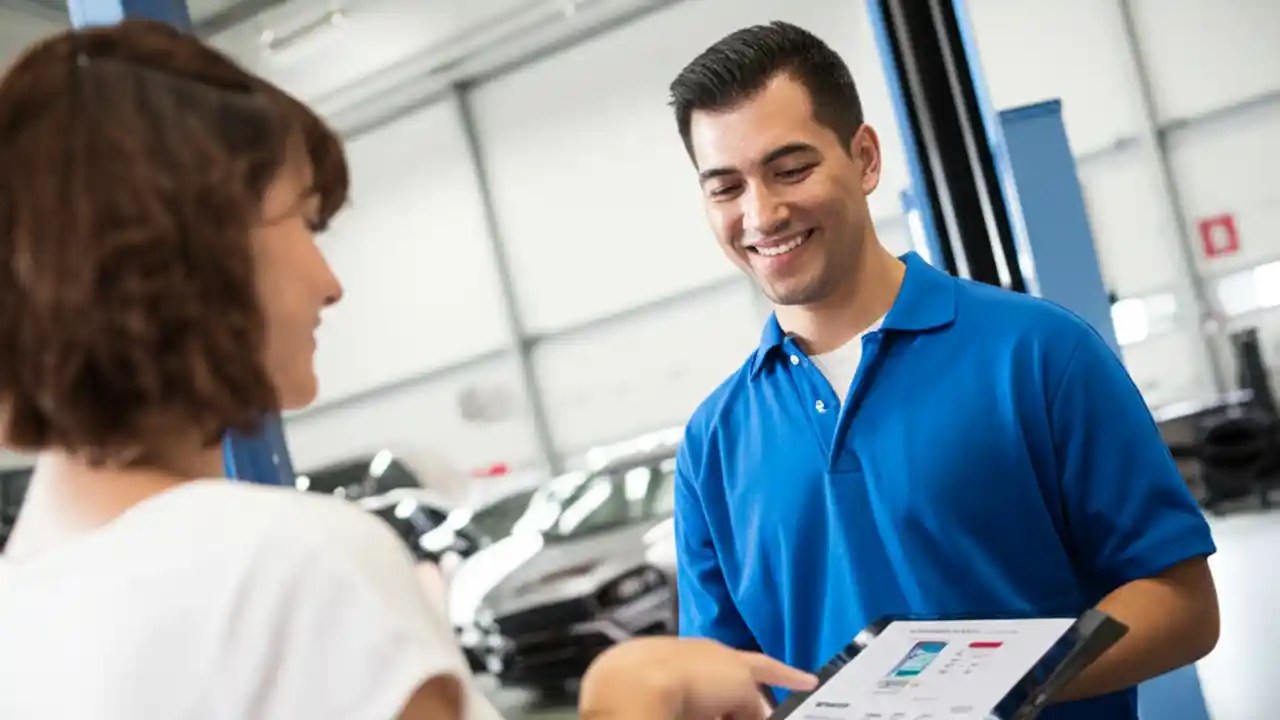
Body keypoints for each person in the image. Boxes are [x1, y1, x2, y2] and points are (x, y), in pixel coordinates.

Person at [0, 21, 815, 720]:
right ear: (196, 249)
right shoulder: (289, 564)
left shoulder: (24, 615)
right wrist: (623, 696)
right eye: (303, 222)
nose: (329, 283)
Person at [667, 21, 1219, 720]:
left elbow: (1183, 605)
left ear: (864, 159)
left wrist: (990, 688)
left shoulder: (1038, 355)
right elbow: (722, 683)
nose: (762, 213)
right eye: (726, 187)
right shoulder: (712, 444)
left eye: (791, 170)